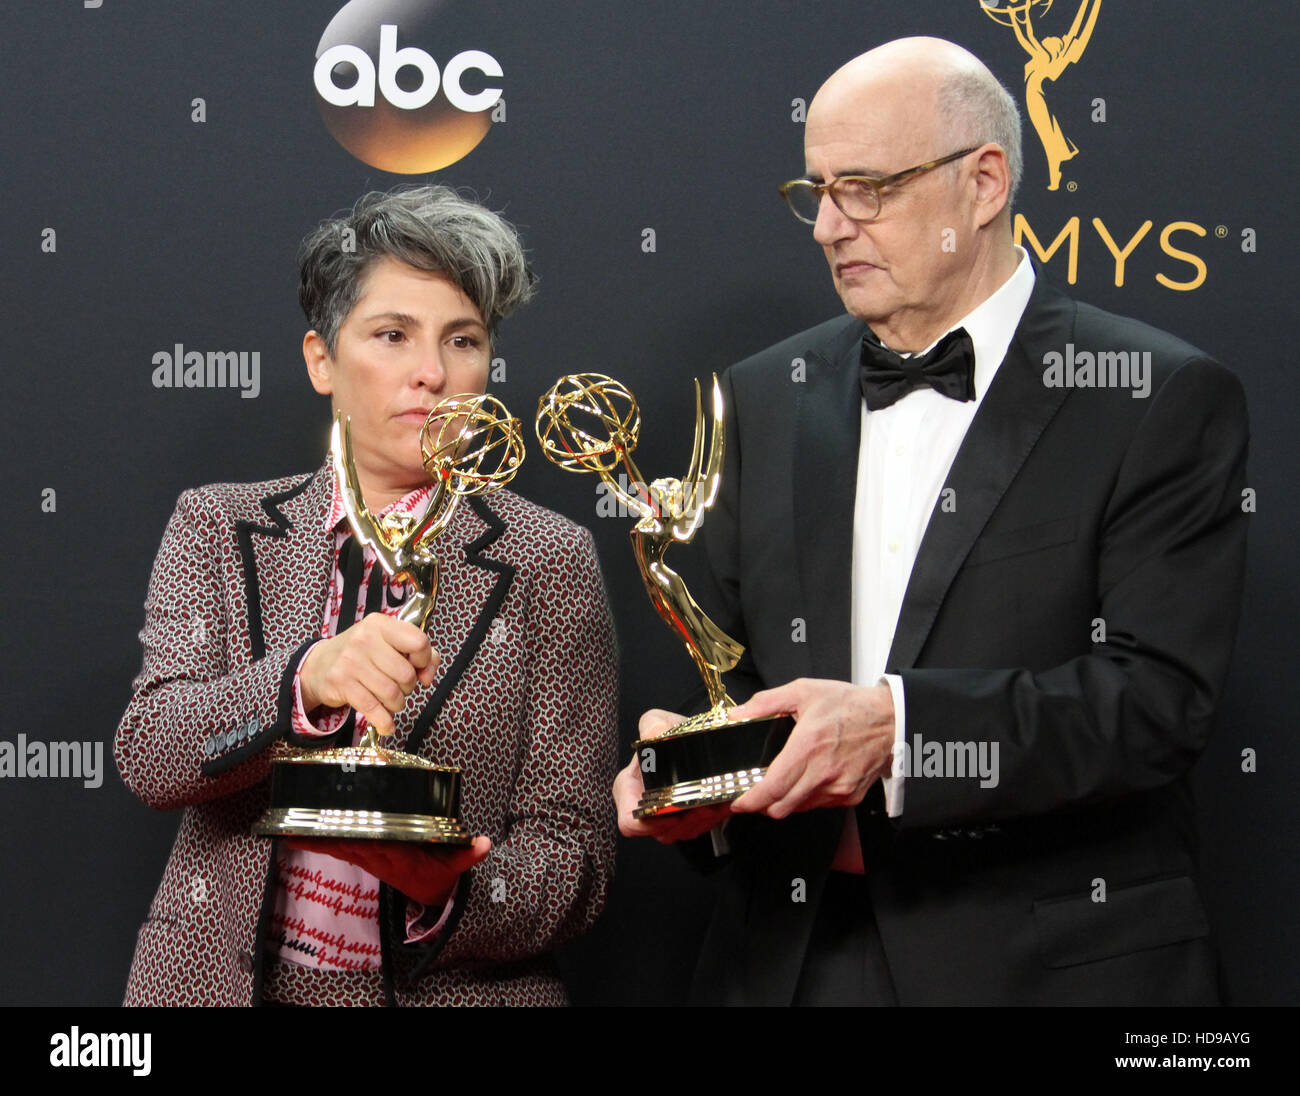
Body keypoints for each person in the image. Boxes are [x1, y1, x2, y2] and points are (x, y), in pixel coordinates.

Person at [614, 37, 1248, 1005]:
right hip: (785, 962)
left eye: (864, 188)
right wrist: (697, 780)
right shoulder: (763, 394)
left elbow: (1155, 703)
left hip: (1044, 970)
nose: (829, 225)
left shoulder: (1153, 396)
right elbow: (733, 672)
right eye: (815, 191)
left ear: (983, 182)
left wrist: (901, 731)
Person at [116, 186, 619, 1006]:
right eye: (392, 335)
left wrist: (448, 891)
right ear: (322, 359)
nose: (432, 373)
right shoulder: (217, 524)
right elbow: (153, 753)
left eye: (463, 340)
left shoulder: (547, 557)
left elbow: (578, 855)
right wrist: (303, 681)